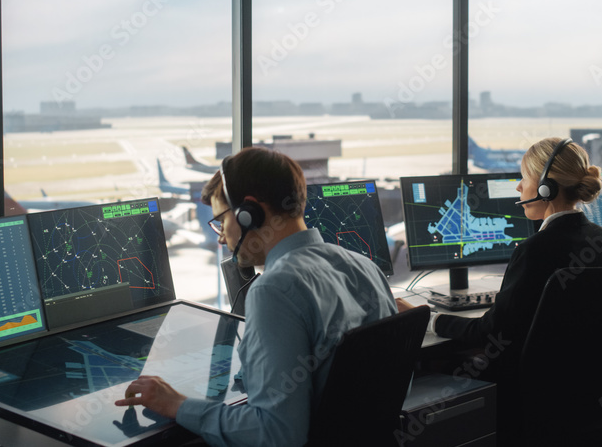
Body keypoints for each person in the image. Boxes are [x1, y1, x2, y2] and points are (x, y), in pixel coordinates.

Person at [115, 147, 397, 446]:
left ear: (250, 213)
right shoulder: (364, 266)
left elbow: (276, 434)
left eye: (221, 221)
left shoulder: (274, 289)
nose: (221, 237)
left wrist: (177, 405)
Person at [397, 137, 602, 439]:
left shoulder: (536, 249)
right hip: (583, 390)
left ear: (546, 189)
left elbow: (492, 333)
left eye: (524, 178)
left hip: (532, 395)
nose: (518, 187)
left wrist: (429, 318)